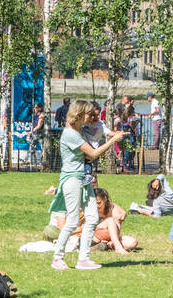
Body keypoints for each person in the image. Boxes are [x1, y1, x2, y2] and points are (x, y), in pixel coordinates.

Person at [49, 100, 123, 270]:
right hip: (72, 179)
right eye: (89, 114)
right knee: (73, 219)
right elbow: (94, 153)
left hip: (84, 178)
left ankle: (83, 259)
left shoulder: (79, 131)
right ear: (80, 114)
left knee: (92, 217)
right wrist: (114, 140)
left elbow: (88, 155)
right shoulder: (71, 134)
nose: (92, 117)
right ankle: (57, 258)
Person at [91, 188, 137, 253]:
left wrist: (111, 241)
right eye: (94, 203)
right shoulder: (89, 209)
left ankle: (104, 246)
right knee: (110, 220)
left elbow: (117, 228)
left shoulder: (113, 209)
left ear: (105, 199)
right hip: (92, 236)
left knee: (132, 242)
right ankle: (118, 248)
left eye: (99, 203)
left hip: (109, 239)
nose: (97, 206)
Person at [28, 102, 45, 170]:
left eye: (35, 107)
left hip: (40, 134)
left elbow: (39, 126)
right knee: (31, 145)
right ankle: (30, 160)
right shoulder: (35, 115)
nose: (34, 109)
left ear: (39, 108)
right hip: (35, 134)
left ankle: (43, 161)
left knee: (43, 147)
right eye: (34, 107)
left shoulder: (41, 115)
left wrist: (31, 131)